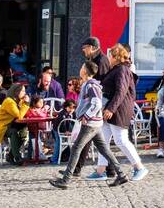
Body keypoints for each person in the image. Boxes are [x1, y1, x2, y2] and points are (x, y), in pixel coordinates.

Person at [49, 60, 127, 189]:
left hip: (91, 123)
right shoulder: (88, 84)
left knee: (76, 148)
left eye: (81, 67)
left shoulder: (91, 86)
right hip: (95, 124)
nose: (80, 69)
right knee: (104, 149)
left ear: (85, 71)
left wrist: (86, 116)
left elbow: (97, 103)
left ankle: (66, 180)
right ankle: (121, 174)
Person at [90, 44, 148, 182]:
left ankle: (139, 167)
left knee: (121, 139)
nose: (108, 57)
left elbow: (121, 91)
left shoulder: (122, 69)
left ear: (116, 57)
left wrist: (111, 108)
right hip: (112, 109)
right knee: (103, 140)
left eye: (111, 55)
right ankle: (100, 171)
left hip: (118, 109)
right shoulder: (117, 69)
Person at [0, 83, 32, 166]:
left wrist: (27, 104)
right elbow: (19, 115)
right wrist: (26, 104)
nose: (24, 93)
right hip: (0, 125)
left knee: (23, 133)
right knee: (14, 132)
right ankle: (17, 157)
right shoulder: (9, 101)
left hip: (10, 123)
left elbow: (25, 113)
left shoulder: (19, 101)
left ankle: (10, 156)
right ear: (16, 92)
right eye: (22, 91)